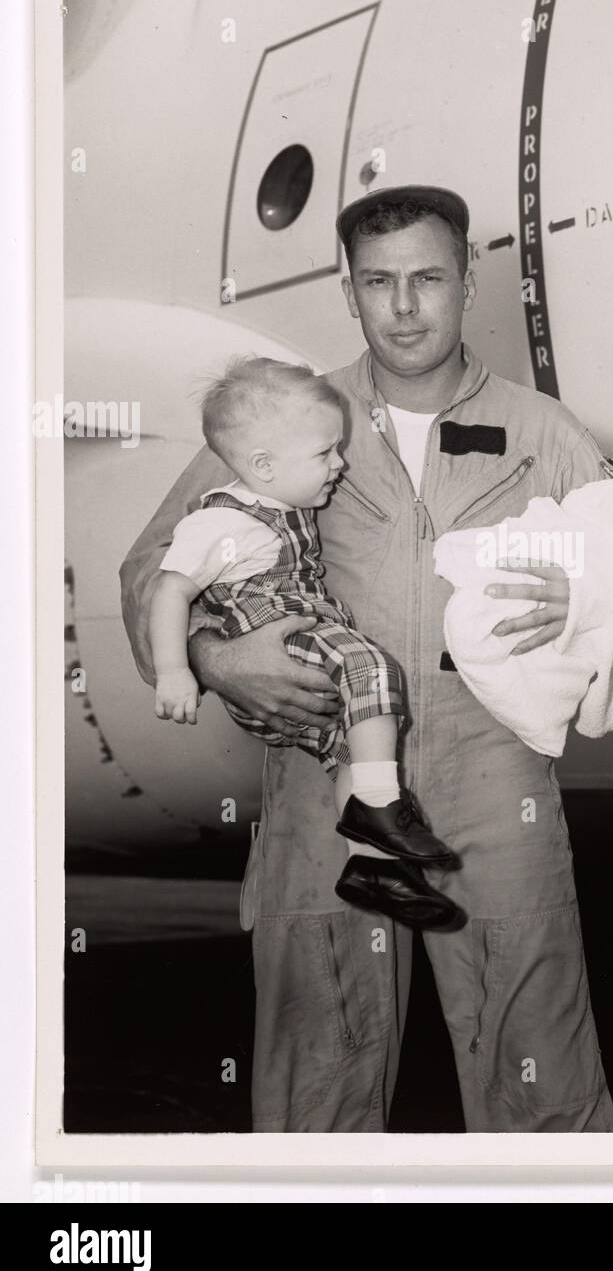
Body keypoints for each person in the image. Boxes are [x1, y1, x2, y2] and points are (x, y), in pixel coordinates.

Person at [120, 184, 613, 1132]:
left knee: (541, 1079)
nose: (404, 306)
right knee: (320, 1080)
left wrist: (593, 597)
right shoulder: (287, 423)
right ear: (348, 292)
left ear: (469, 280)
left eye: (428, 278)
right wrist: (215, 661)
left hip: (495, 779)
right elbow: (153, 567)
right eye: (378, 282)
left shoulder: (544, 432)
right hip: (323, 779)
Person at [147, 355, 464, 929]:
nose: (339, 464)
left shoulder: (280, 503)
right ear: (263, 466)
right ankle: (379, 805)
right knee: (372, 671)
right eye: (324, 454)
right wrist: (175, 670)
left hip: (303, 654)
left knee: (352, 746)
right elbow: (169, 587)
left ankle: (373, 868)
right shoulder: (223, 523)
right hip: (276, 646)